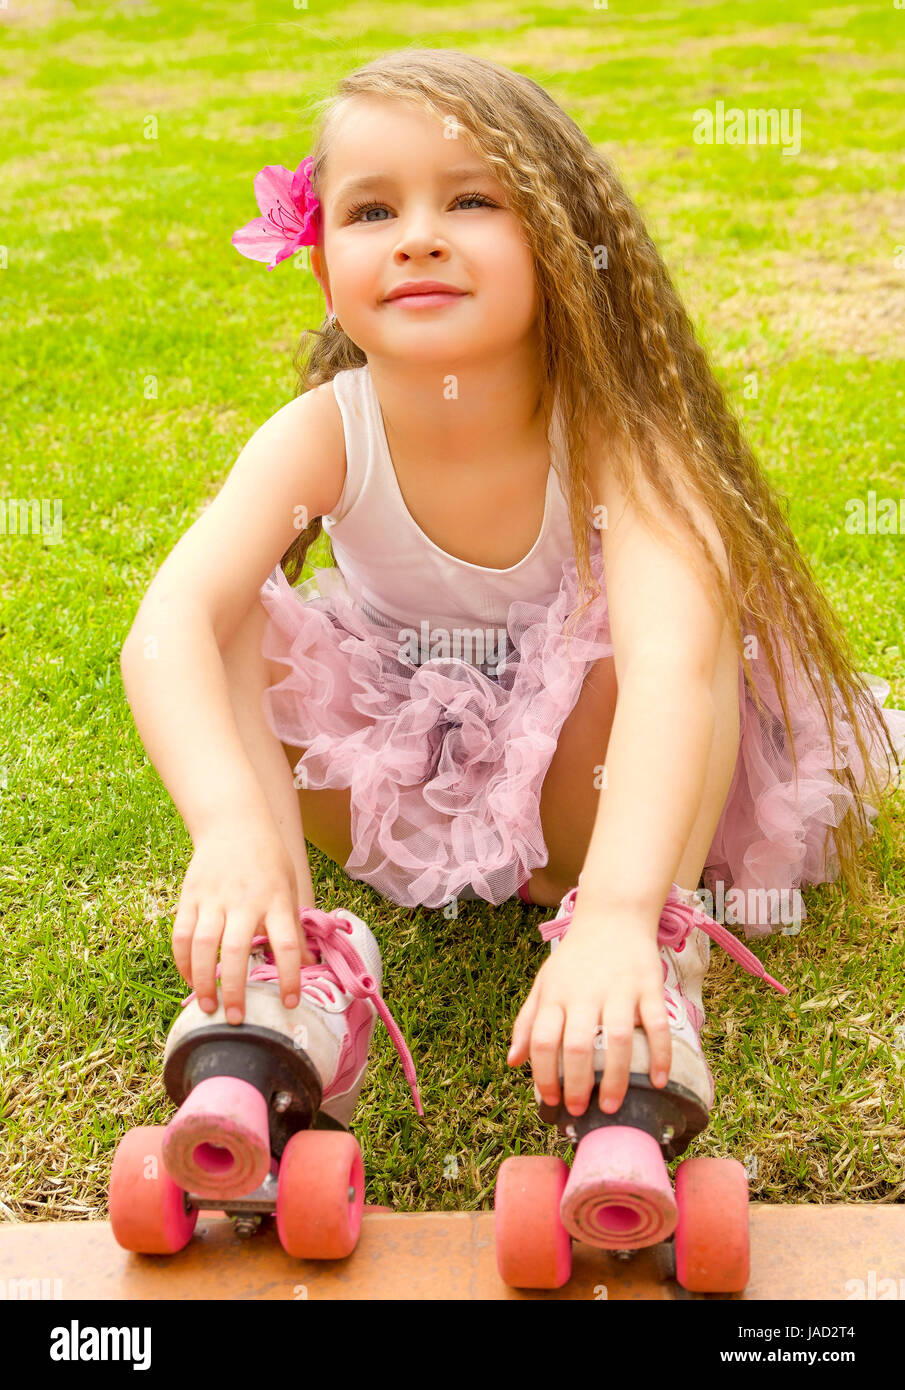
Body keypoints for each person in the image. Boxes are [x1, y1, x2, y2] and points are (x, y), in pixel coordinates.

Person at [122, 48, 905, 1127]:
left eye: (471, 199)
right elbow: (166, 628)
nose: (417, 235)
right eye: (370, 210)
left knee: (677, 620)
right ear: (321, 268)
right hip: (417, 781)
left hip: (611, 791)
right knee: (232, 621)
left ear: (559, 244)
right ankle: (285, 966)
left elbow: (676, 677)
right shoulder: (324, 434)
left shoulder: (618, 444)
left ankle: (646, 961)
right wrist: (225, 823)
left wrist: (622, 908)